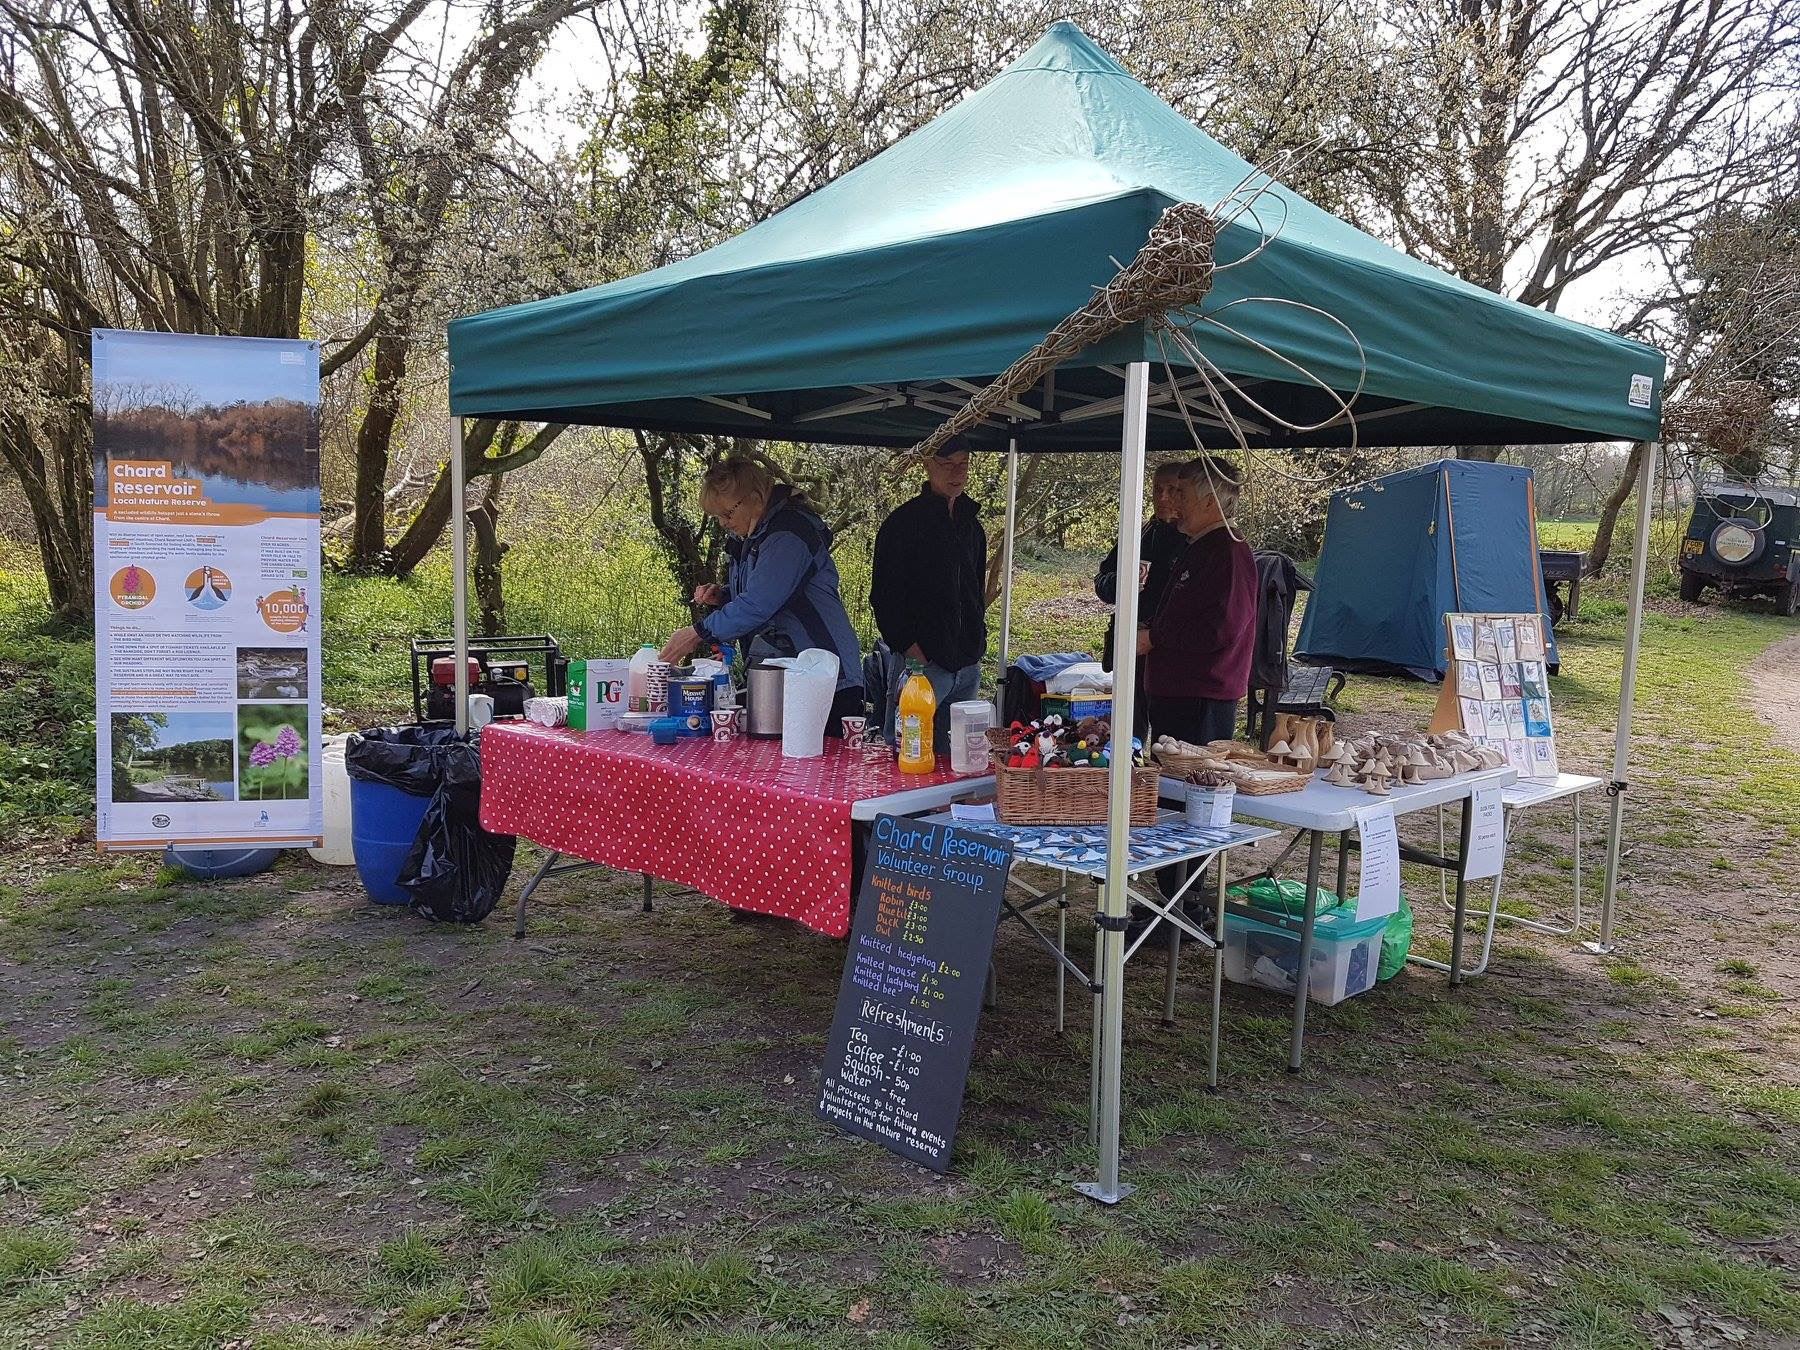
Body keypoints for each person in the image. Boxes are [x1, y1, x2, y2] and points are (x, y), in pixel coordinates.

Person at [659, 458, 864, 731]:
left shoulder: (789, 534)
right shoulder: (754, 536)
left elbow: (759, 603)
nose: (723, 523)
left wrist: (697, 633)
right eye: (717, 517)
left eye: (728, 514)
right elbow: (762, 592)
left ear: (754, 498)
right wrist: (723, 596)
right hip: (784, 677)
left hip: (826, 680)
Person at [870, 444, 987, 753]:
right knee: (908, 756)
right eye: (946, 463)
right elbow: (884, 596)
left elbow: (975, 590)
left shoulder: (972, 527)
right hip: (921, 663)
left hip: (966, 662)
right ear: (926, 464)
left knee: (957, 763)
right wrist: (912, 651)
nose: (957, 472)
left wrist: (975, 644)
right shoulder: (903, 525)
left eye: (963, 461)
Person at [1138, 454, 1258, 747]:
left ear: (1210, 501)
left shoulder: (1228, 553)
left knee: (1190, 787)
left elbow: (1220, 629)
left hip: (1200, 698)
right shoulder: (1202, 545)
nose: (1173, 502)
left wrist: (1155, 636)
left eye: (1182, 494)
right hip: (1180, 693)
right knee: (1170, 786)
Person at [1092, 461, 1188, 736]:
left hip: (1170, 652)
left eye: (1172, 489)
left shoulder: (1194, 539)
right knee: (1128, 731)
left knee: (1167, 738)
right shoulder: (1140, 533)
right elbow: (1102, 579)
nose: (1164, 498)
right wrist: (1121, 584)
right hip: (1131, 646)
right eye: (1158, 489)